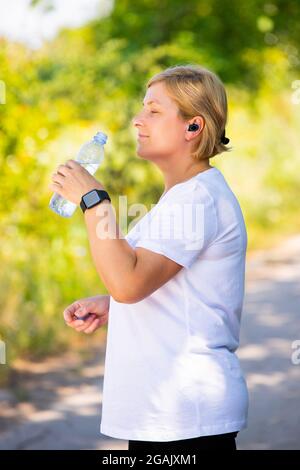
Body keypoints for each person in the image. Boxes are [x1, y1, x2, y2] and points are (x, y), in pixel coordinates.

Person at [56, 64, 249, 453]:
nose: (137, 119)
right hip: (167, 418)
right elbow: (149, 279)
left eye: (153, 110)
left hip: (185, 419)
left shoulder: (197, 198)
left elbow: (130, 283)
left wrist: (95, 202)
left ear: (193, 127)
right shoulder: (181, 198)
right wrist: (112, 304)